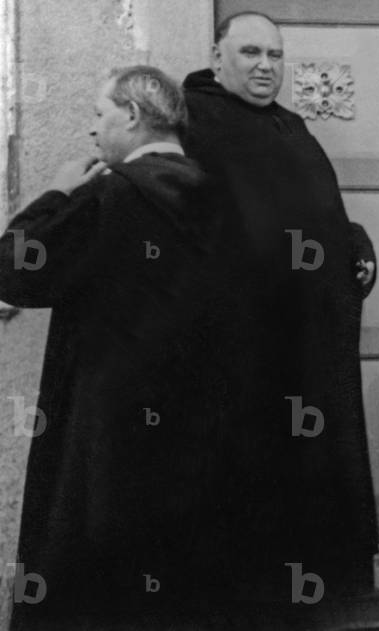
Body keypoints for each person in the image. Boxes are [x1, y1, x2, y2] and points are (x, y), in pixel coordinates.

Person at [1, 66, 218, 626]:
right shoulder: (220, 197)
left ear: (132, 115)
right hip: (198, 428)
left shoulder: (113, 194)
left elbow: (14, 270)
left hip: (106, 424)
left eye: (100, 114)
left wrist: (54, 190)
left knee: (90, 583)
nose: (93, 131)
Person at [180, 10, 378, 609]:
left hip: (315, 334)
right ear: (218, 60)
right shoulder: (196, 122)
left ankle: (326, 580)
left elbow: (318, 210)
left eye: (274, 55)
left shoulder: (291, 125)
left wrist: (355, 244)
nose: (266, 67)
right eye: (250, 54)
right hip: (249, 339)